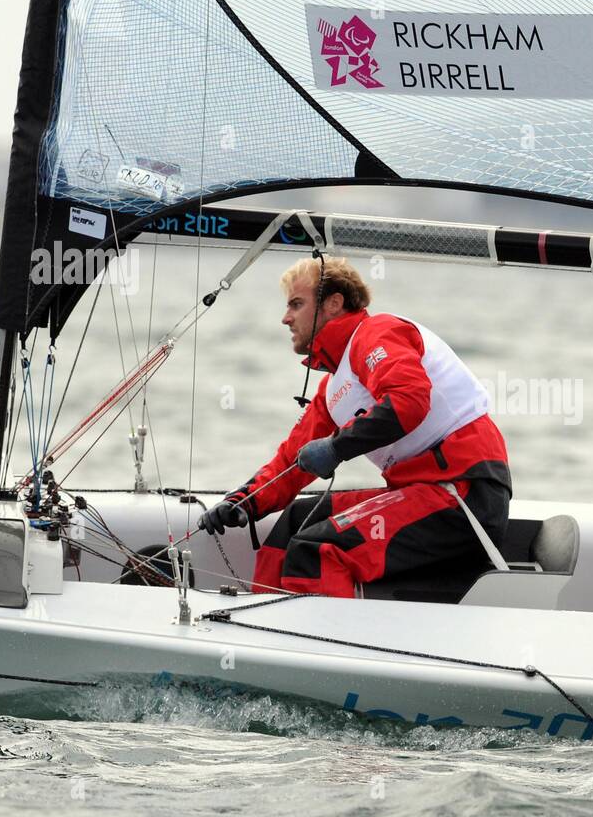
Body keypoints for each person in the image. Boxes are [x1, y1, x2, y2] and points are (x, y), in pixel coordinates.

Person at [198, 255, 512, 596]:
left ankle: (323, 645)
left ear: (333, 304)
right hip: (423, 491)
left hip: (464, 493)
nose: (285, 318)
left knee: (316, 551)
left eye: (297, 304)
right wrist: (244, 501)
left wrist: (336, 448)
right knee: (294, 522)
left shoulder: (376, 335)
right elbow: (292, 461)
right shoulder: (334, 387)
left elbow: (409, 402)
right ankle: (262, 631)